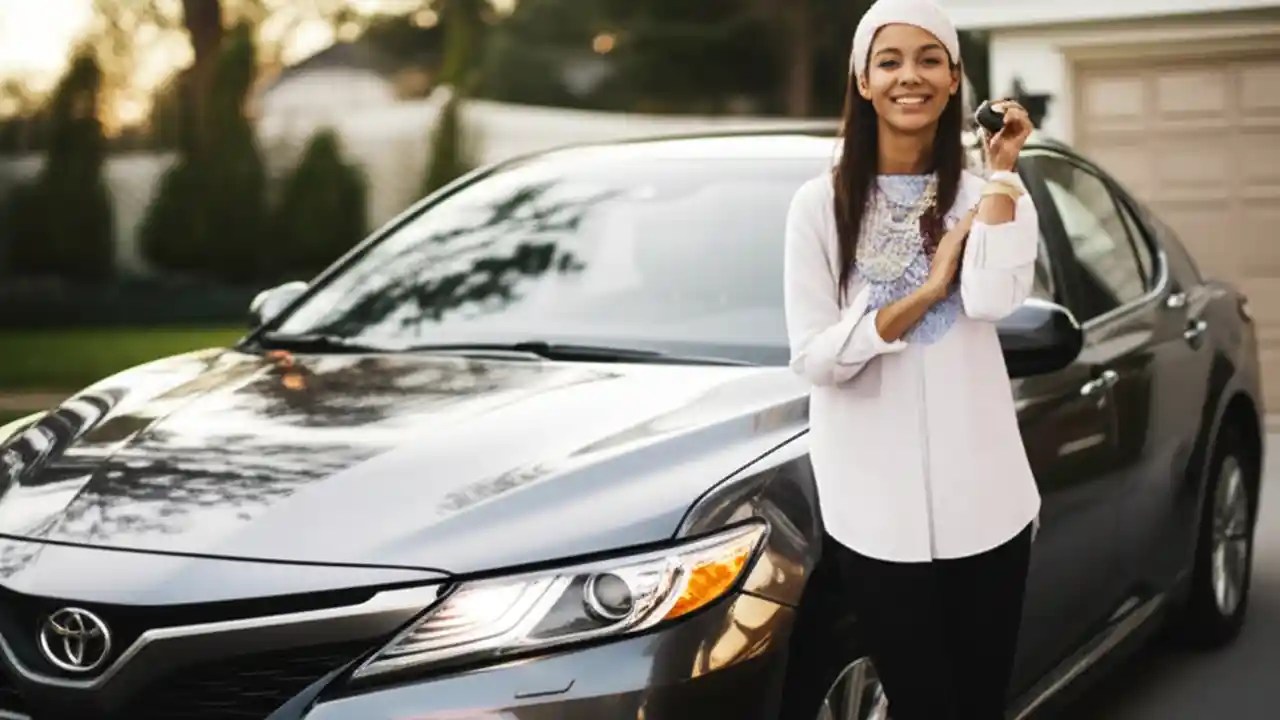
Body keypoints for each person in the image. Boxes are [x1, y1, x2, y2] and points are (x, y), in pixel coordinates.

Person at [781, 0, 1041, 718]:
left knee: (979, 704)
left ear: (955, 78)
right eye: (889, 60)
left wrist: (1002, 175)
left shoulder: (989, 194)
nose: (909, 77)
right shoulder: (819, 205)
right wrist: (925, 291)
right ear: (862, 80)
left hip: (988, 504)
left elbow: (989, 298)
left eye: (930, 60)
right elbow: (817, 359)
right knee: (925, 703)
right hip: (873, 515)